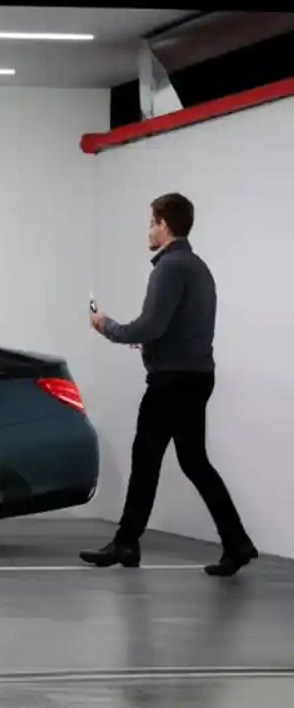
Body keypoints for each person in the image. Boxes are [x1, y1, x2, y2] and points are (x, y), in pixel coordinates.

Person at [83, 192, 257, 577]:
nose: (148, 231)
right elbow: (176, 328)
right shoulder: (198, 267)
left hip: (171, 381)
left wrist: (106, 325)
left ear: (163, 225)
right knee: (194, 461)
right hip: (196, 376)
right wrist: (148, 341)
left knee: (146, 458)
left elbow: (150, 326)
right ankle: (237, 542)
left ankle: (126, 542)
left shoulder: (170, 267)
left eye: (151, 223)